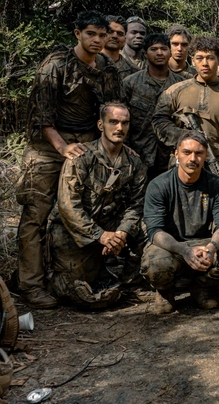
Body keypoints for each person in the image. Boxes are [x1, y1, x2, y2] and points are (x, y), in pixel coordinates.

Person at [16, 10, 122, 308]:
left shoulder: (107, 68)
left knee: (88, 209)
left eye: (102, 35)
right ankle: (31, 284)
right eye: (91, 34)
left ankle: (79, 275)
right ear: (78, 34)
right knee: (35, 215)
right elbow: (40, 116)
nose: (98, 40)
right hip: (49, 144)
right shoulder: (56, 65)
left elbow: (112, 110)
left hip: (88, 142)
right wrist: (62, 147)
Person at [47, 103, 146, 309]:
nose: (119, 128)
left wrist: (121, 233)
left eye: (125, 123)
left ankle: (131, 283)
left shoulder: (134, 163)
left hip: (111, 226)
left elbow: (137, 205)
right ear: (101, 125)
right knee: (71, 289)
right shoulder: (81, 157)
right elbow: (68, 206)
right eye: (113, 122)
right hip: (76, 230)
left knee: (147, 229)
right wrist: (100, 236)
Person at [141, 131, 219, 313]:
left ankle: (202, 286)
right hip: (171, 245)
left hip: (204, 243)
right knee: (154, 263)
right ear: (176, 154)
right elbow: (155, 231)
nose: (192, 158)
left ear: (206, 156)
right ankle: (165, 291)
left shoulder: (217, 184)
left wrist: (211, 248)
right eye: (187, 152)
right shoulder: (159, 185)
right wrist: (184, 250)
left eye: (199, 153)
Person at [151, 35, 219, 181]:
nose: (205, 63)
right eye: (199, 58)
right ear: (192, 61)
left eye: (210, 58)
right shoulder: (175, 91)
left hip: (217, 164)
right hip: (181, 165)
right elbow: (159, 120)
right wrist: (184, 136)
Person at [122, 34, 185, 178]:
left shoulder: (181, 85)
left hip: (171, 156)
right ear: (145, 54)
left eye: (164, 49)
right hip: (138, 154)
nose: (159, 53)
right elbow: (123, 119)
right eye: (154, 49)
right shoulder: (130, 83)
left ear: (170, 52)